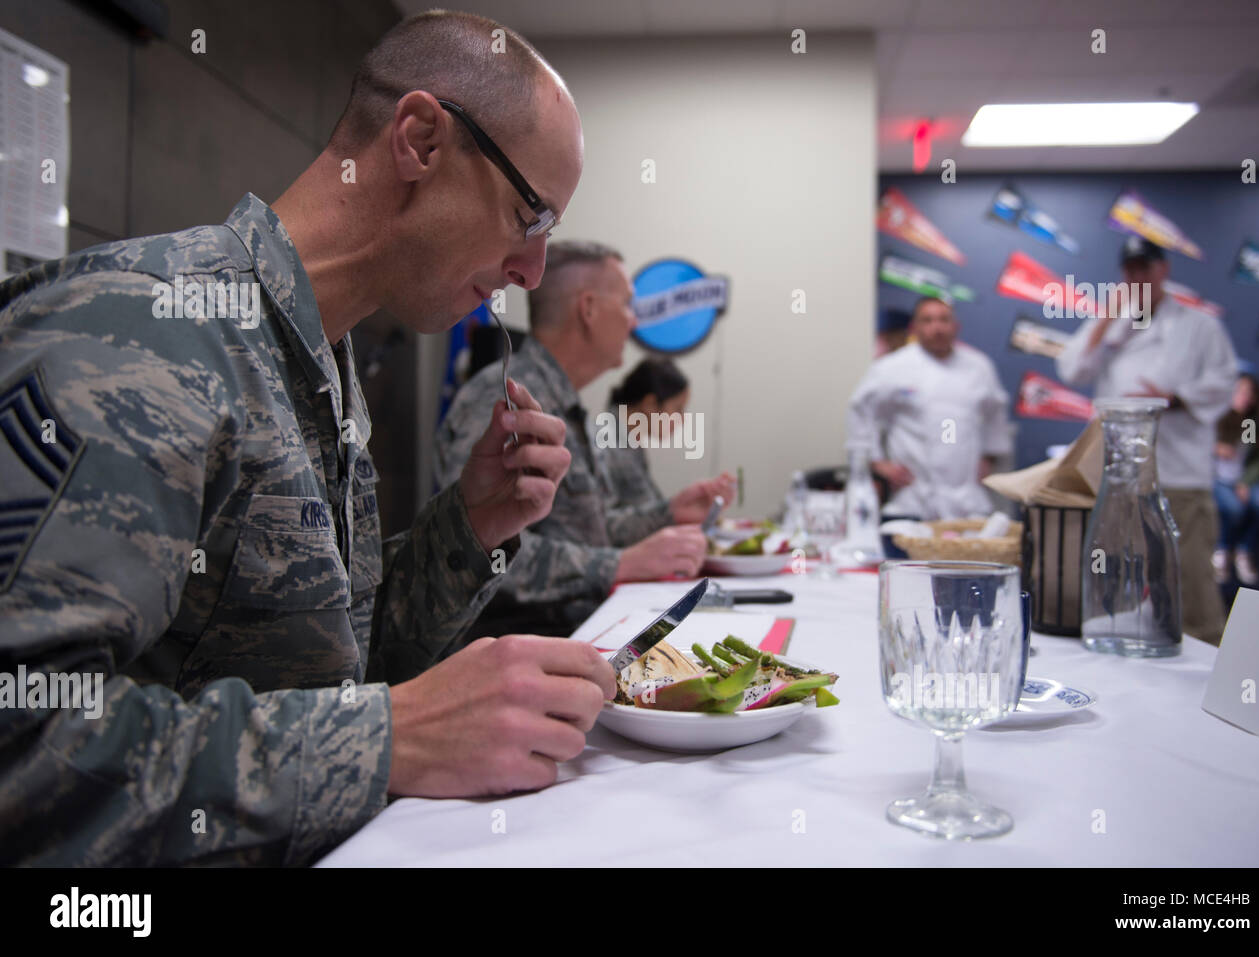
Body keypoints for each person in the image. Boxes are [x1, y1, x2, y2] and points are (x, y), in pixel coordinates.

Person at [0, 11, 611, 866]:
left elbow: (329, 669)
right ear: (422, 141)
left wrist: (467, 528)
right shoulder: (135, 332)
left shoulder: (321, 366)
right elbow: (25, 747)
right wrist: (390, 739)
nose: (531, 272)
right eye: (529, 215)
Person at [434, 241, 734, 637]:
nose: (633, 322)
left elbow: (590, 530)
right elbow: (472, 553)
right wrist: (620, 564)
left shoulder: (569, 407)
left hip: (579, 633)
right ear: (588, 309)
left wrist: (670, 513)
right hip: (517, 654)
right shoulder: (502, 402)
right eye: (627, 305)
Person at [1056, 237, 1238, 644]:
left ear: (1163, 271)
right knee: (1120, 579)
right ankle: (1136, 673)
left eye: (1146, 269)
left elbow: (1223, 383)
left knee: (1188, 575)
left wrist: (1170, 400)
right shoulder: (1112, 325)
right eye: (1131, 271)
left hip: (1179, 469)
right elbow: (1071, 369)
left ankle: (1206, 662)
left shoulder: (1198, 326)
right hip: (1119, 476)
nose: (1138, 277)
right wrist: (1105, 319)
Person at [846, 295, 1012, 520]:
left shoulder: (979, 367)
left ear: (956, 326)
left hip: (966, 498)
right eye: (928, 320)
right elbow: (861, 408)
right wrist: (876, 461)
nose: (937, 328)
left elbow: (996, 414)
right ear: (915, 327)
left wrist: (989, 457)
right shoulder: (893, 367)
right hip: (913, 497)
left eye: (944, 320)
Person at [605, 357, 690, 512]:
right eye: (678, 409)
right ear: (650, 404)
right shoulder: (609, 449)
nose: (682, 420)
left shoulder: (628, 444)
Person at [1211, 373, 1259, 585]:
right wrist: (1216, 448)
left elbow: (1251, 456)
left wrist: (1244, 481)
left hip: (1241, 479)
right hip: (1215, 478)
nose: (1243, 397)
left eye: (1248, 393)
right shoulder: (1215, 417)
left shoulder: (1250, 424)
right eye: (1239, 391)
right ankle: (1222, 550)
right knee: (1234, 508)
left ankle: (1244, 551)